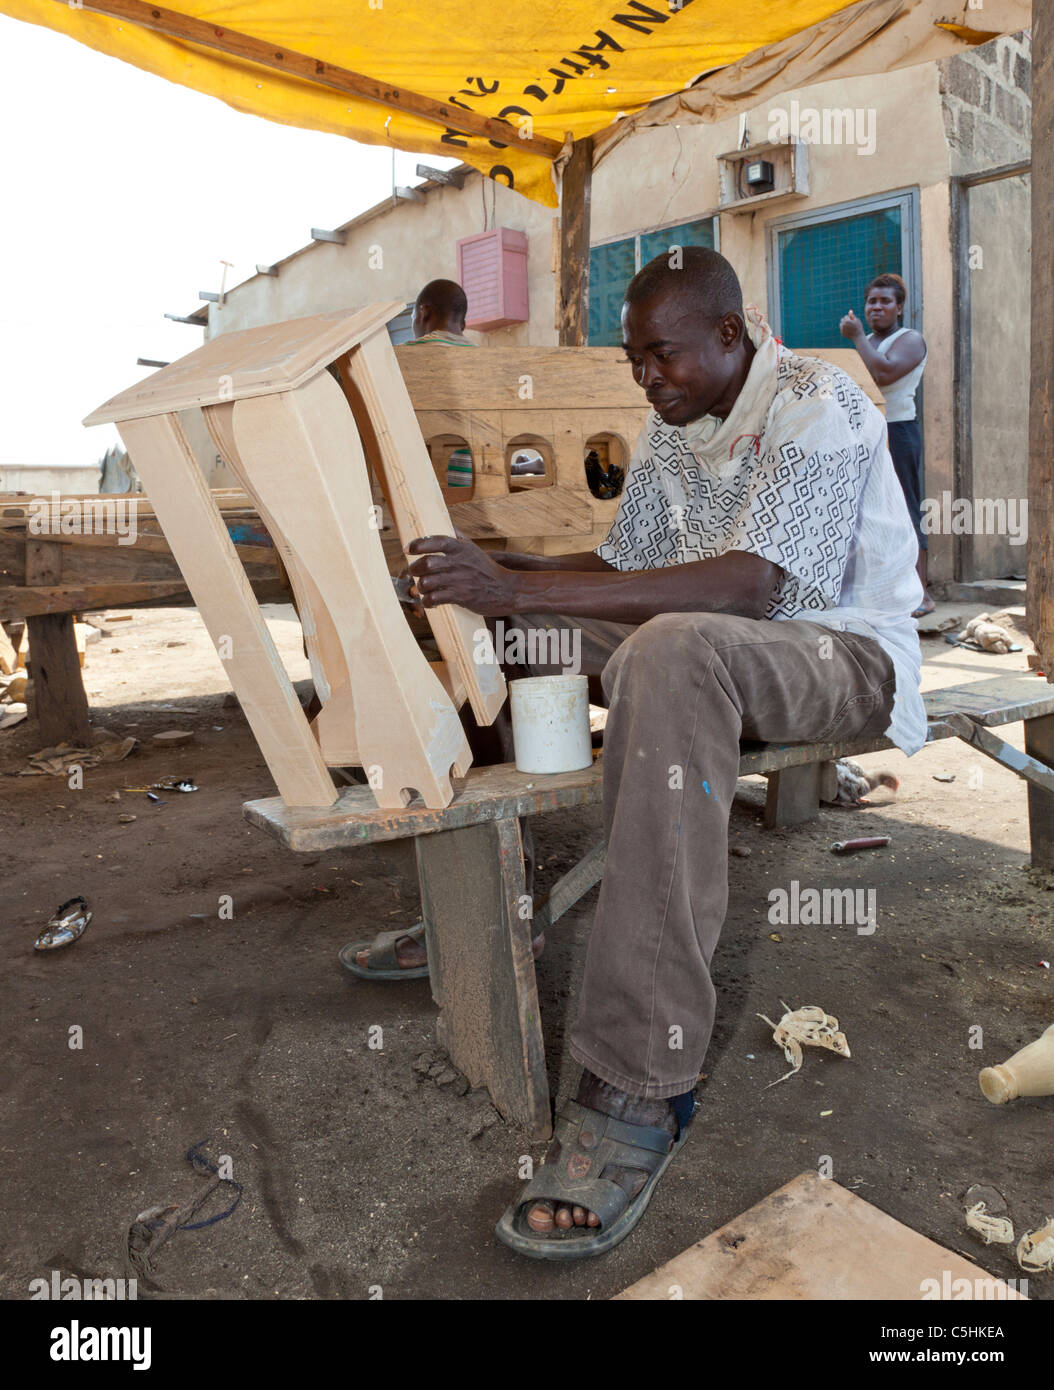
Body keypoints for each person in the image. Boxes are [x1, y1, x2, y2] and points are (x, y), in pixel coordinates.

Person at [403, 247, 926, 1258]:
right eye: (636, 359)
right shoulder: (675, 422)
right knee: (510, 632)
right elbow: (622, 564)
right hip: (723, 638)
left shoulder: (823, 403)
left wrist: (518, 585)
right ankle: (466, 913)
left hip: (844, 650)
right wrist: (500, 577)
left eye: (663, 357)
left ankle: (640, 1080)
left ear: (729, 337)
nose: (646, 378)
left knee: (673, 649)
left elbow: (748, 589)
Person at [839, 273, 932, 617]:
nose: (876, 308)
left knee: (907, 508)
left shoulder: (910, 339)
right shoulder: (869, 343)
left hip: (898, 431)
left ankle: (921, 594)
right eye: (871, 302)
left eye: (884, 302)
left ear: (899, 307)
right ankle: (885, 591)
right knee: (872, 515)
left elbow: (883, 376)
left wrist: (858, 337)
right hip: (867, 435)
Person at [408, 278, 476, 346]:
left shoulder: (404, 353)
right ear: (463, 325)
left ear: (424, 312)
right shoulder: (483, 353)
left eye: (413, 317)